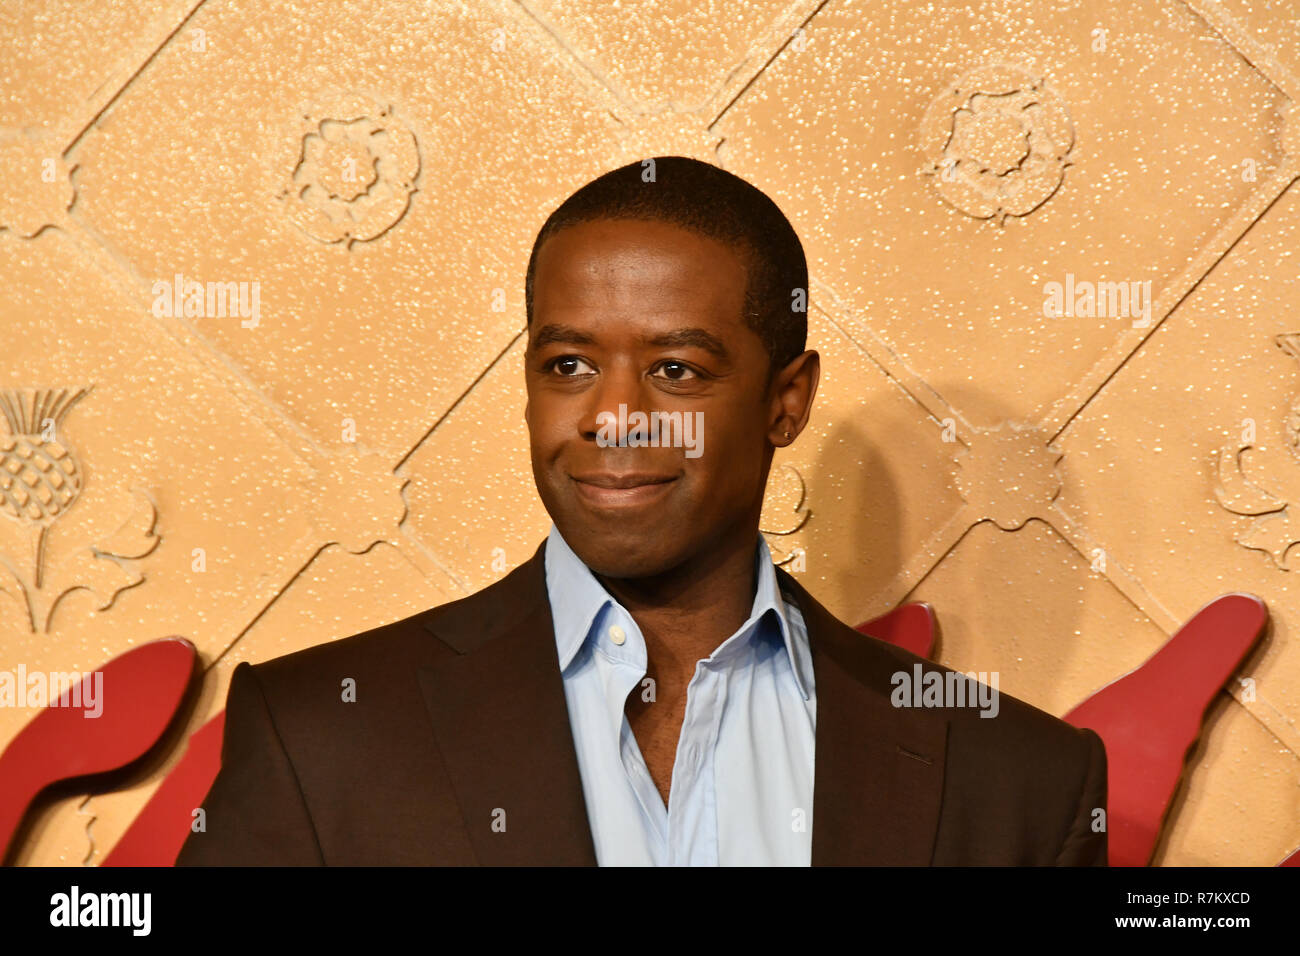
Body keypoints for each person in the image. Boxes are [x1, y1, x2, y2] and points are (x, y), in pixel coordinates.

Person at [176, 156, 1107, 866]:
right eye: (568, 365)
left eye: (676, 371)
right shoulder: (319, 732)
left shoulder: (1018, 781)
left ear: (787, 400)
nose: (611, 418)